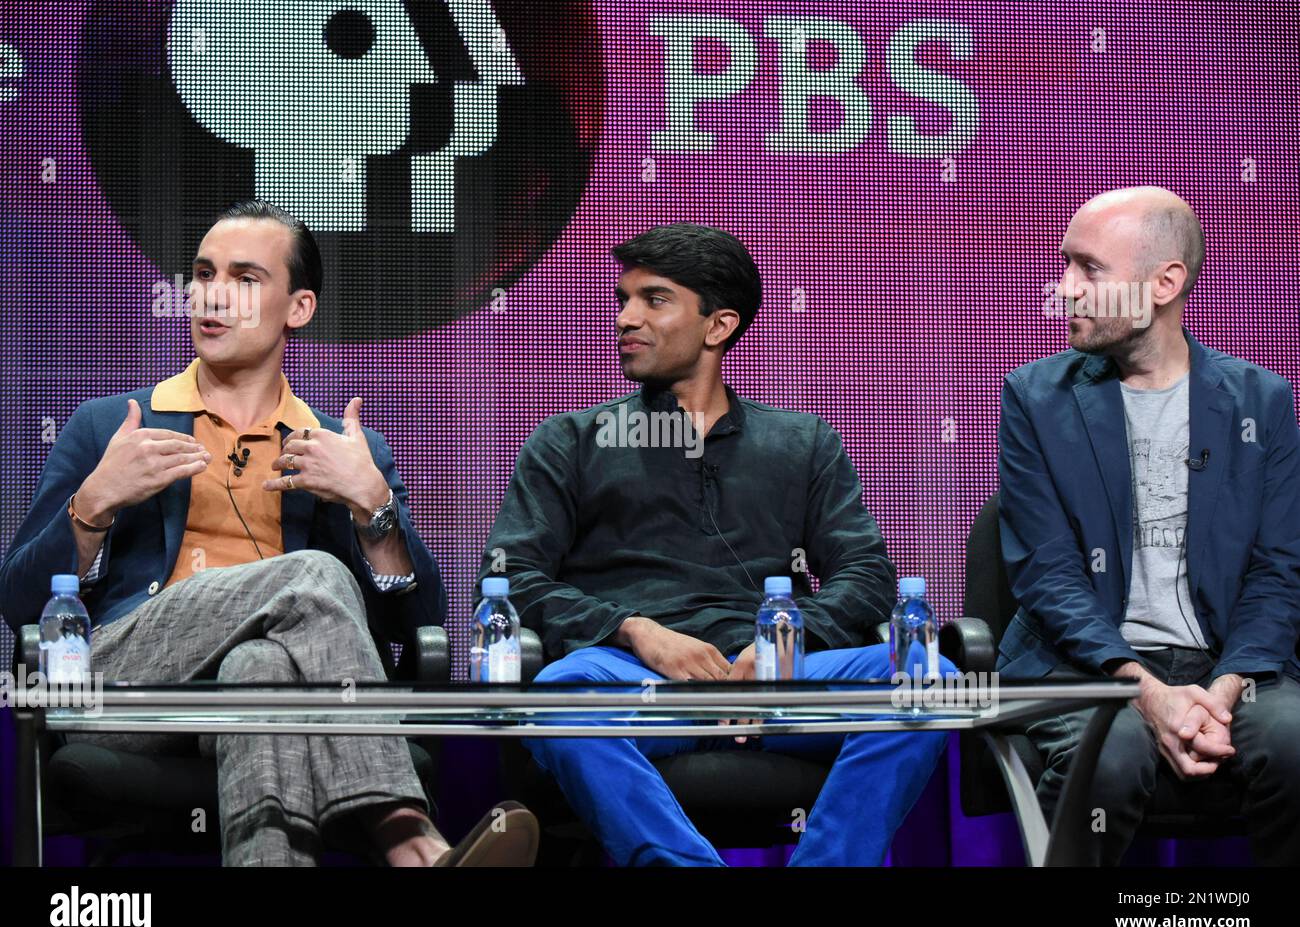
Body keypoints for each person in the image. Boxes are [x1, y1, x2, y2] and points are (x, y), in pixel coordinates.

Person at [0, 200, 537, 867]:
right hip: (126, 688)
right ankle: (407, 836)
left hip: (262, 691)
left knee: (260, 668)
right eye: (203, 274)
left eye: (245, 279)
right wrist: (93, 504)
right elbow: (20, 603)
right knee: (313, 574)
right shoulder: (114, 425)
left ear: (299, 308)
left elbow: (421, 628)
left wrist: (374, 507)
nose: (212, 295)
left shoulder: (346, 449)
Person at [480, 222, 954, 866]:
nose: (624, 319)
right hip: (639, 682)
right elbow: (516, 577)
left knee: (929, 678)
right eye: (622, 300)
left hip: (780, 682)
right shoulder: (571, 443)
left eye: (653, 300)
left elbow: (865, 572)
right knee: (564, 692)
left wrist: (781, 643)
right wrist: (635, 630)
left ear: (718, 325)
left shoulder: (800, 444)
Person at [997, 186, 1300, 865]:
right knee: (1109, 759)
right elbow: (1048, 573)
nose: (1065, 289)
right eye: (1064, 265)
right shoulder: (1034, 399)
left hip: (1231, 664)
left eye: (1089, 269)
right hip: (1085, 664)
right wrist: (1147, 691)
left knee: (1293, 746)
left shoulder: (1262, 401)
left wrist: (1222, 693)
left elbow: (1279, 571)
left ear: (1166, 283)